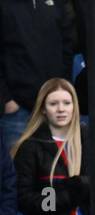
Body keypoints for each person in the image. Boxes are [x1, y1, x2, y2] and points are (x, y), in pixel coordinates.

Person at [0, 0, 76, 156]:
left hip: (54, 108)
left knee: (55, 175)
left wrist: (61, 89)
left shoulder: (58, 3)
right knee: (16, 176)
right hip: (17, 111)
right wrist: (6, 99)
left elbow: (68, 46)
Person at [11, 78, 86, 215]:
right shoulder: (29, 147)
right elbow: (25, 200)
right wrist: (68, 196)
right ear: (43, 109)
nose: (61, 109)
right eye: (53, 104)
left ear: (74, 106)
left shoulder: (89, 142)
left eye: (66, 103)